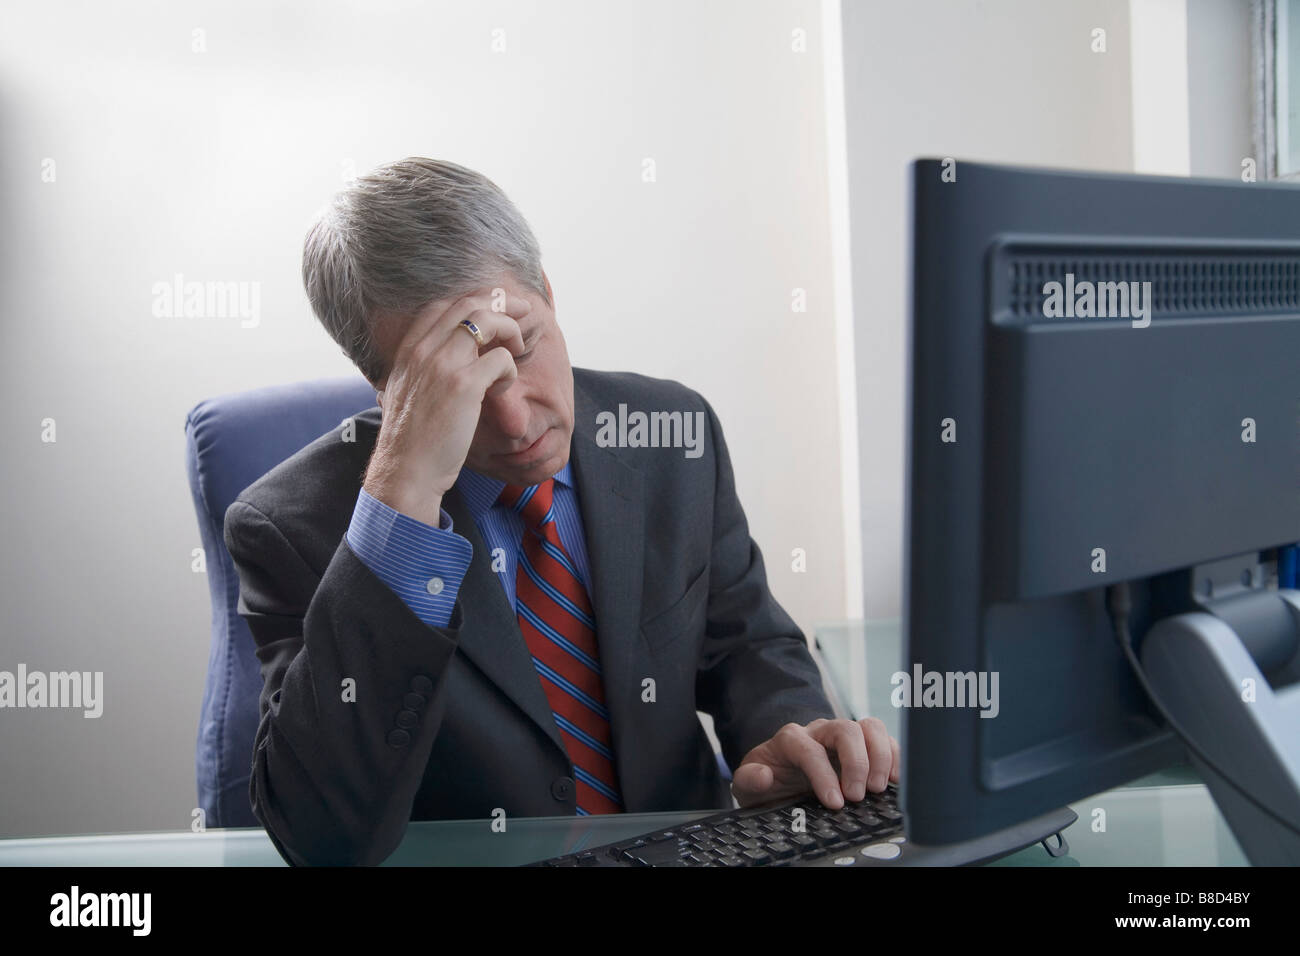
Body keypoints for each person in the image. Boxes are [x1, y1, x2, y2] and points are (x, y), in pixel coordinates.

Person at [224, 157, 899, 866]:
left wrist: (789, 734)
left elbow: (746, 645)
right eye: (458, 384)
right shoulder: (289, 528)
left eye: (524, 343)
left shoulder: (671, 433)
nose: (516, 422)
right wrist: (404, 500)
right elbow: (323, 838)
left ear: (546, 290)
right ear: (384, 386)